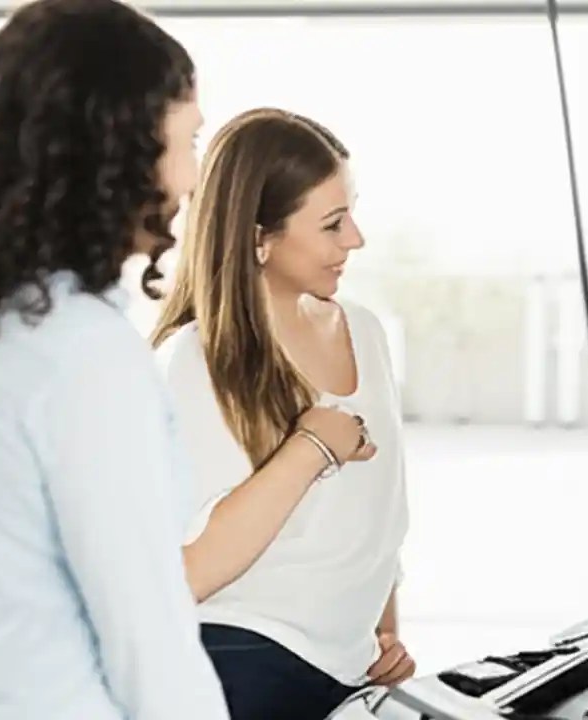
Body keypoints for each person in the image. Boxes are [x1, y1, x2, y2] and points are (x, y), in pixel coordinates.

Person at [0, 0, 229, 717]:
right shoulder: (83, 355)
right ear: (118, 153)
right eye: (188, 142)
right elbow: (149, 640)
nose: (192, 177)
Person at [149, 108, 413, 720]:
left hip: (347, 674)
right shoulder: (195, 359)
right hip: (239, 660)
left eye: (352, 212)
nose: (356, 239)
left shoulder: (365, 332)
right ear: (258, 238)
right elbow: (186, 571)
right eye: (332, 223)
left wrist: (381, 633)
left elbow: (377, 514)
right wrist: (312, 447)